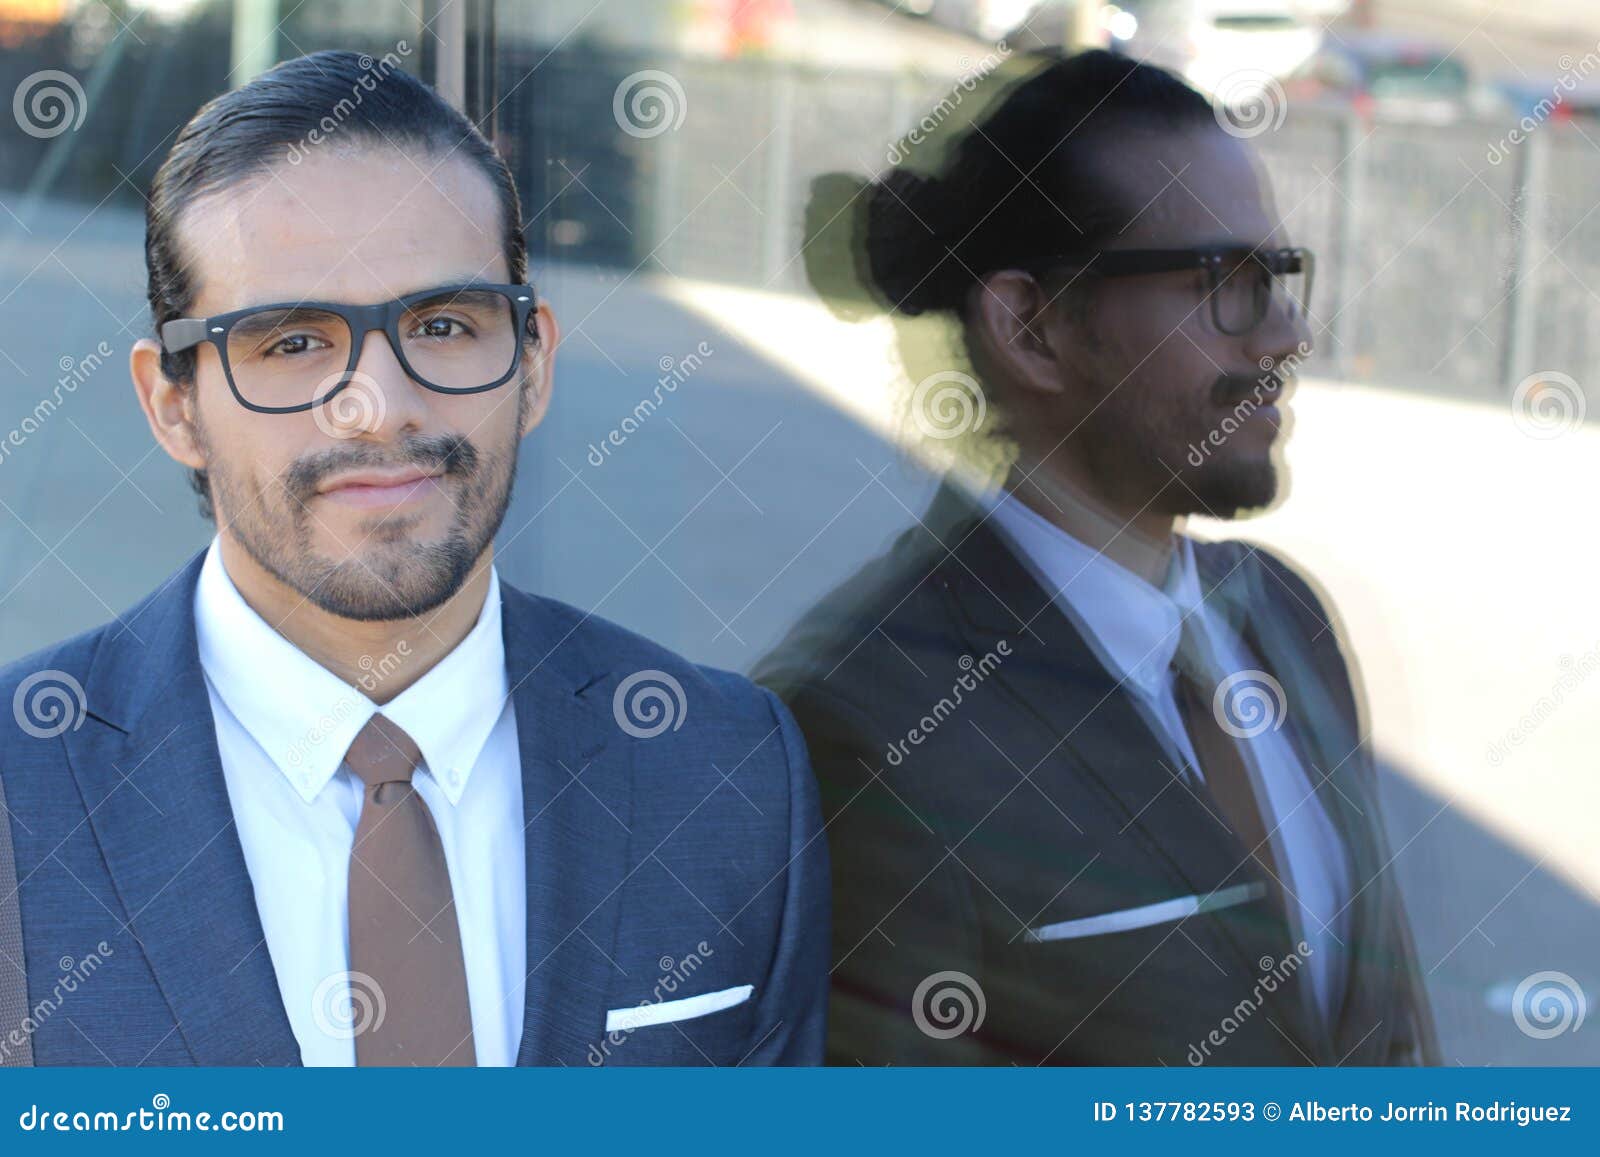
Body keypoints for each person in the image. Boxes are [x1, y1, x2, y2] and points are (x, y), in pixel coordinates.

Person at [0, 50, 826, 1067]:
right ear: (173, 404)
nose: (379, 406)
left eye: (442, 325)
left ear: (532, 365)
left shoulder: (724, 769)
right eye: (291, 342)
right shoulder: (19, 779)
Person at [755, 49, 1436, 1066]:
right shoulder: (866, 725)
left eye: (1280, 277)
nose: (1286, 335)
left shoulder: (1284, 615)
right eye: (1224, 284)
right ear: (1032, 327)